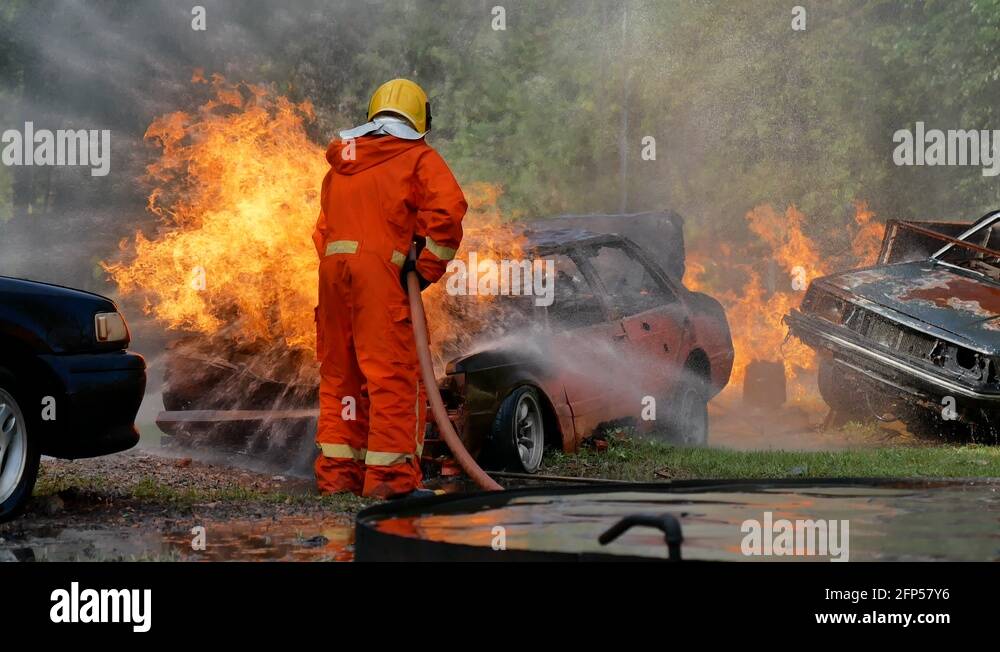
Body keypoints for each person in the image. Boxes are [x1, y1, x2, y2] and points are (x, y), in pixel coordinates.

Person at [312, 79, 467, 498]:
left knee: (341, 376)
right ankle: (391, 482)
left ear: (372, 116)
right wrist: (424, 266)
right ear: (420, 120)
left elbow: (323, 230)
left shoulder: (341, 161)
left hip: (331, 276)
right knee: (392, 377)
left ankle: (338, 476)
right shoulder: (417, 157)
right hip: (379, 277)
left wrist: (342, 271)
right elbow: (448, 215)